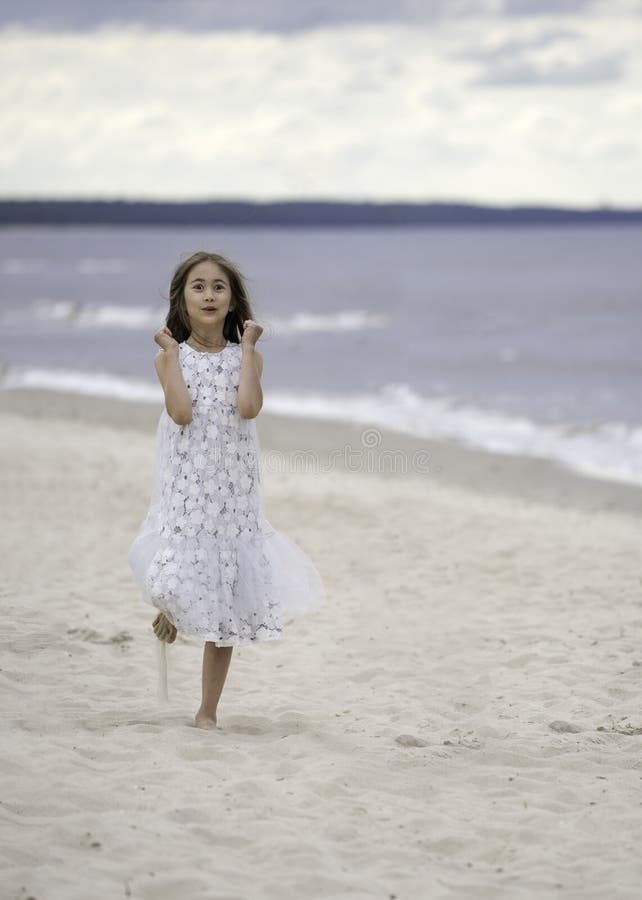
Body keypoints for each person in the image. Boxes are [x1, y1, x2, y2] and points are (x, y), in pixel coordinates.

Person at [127, 251, 326, 728]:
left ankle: (207, 712)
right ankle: (171, 613)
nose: (209, 294)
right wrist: (173, 356)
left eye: (219, 287)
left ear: (234, 300)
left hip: (234, 491)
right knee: (170, 578)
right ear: (182, 300)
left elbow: (250, 407)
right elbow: (180, 412)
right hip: (188, 485)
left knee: (227, 601)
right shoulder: (167, 357)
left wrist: (251, 349)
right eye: (199, 286)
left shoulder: (246, 356)